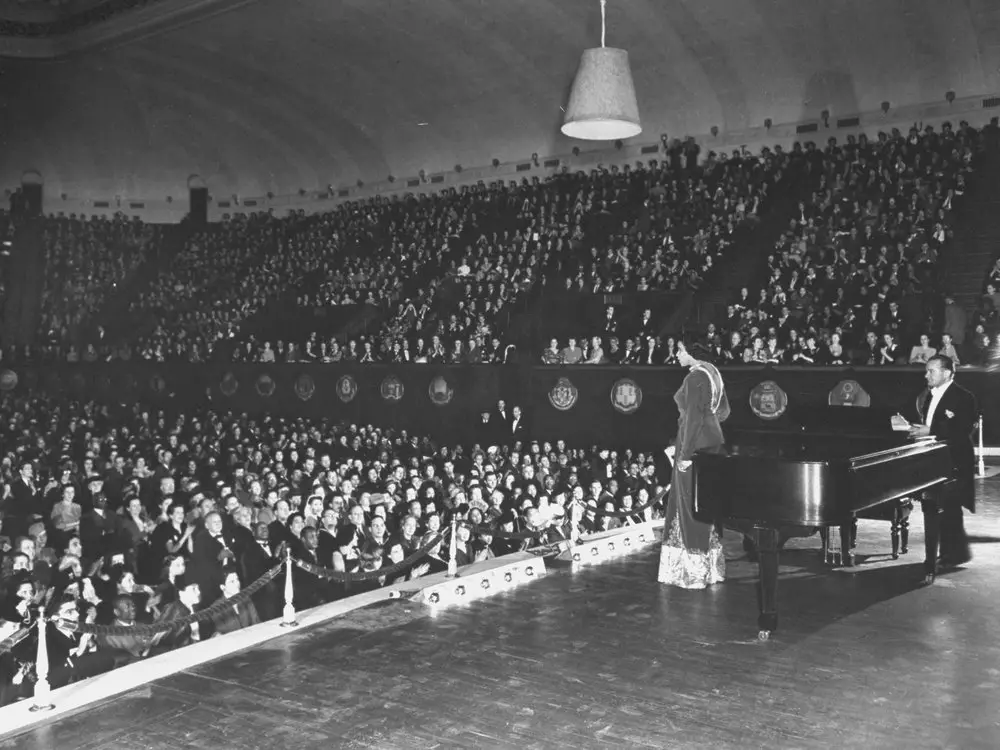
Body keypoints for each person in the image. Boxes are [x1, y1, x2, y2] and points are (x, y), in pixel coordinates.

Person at [658, 340, 731, 589]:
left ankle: (693, 573)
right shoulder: (713, 373)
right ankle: (711, 570)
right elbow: (723, 412)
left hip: (694, 446)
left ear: (691, 351)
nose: (676, 354)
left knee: (689, 506)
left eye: (679, 350)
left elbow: (692, 418)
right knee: (707, 504)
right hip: (713, 443)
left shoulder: (693, 378)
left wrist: (685, 453)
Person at [906, 354, 977, 583]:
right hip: (937, 460)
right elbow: (933, 424)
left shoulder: (964, 397)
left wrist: (930, 431)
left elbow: (962, 427)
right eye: (926, 371)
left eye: (931, 371)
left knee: (947, 506)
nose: (926, 375)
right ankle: (955, 554)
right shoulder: (929, 396)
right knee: (947, 508)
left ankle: (948, 556)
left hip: (955, 460)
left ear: (946, 373)